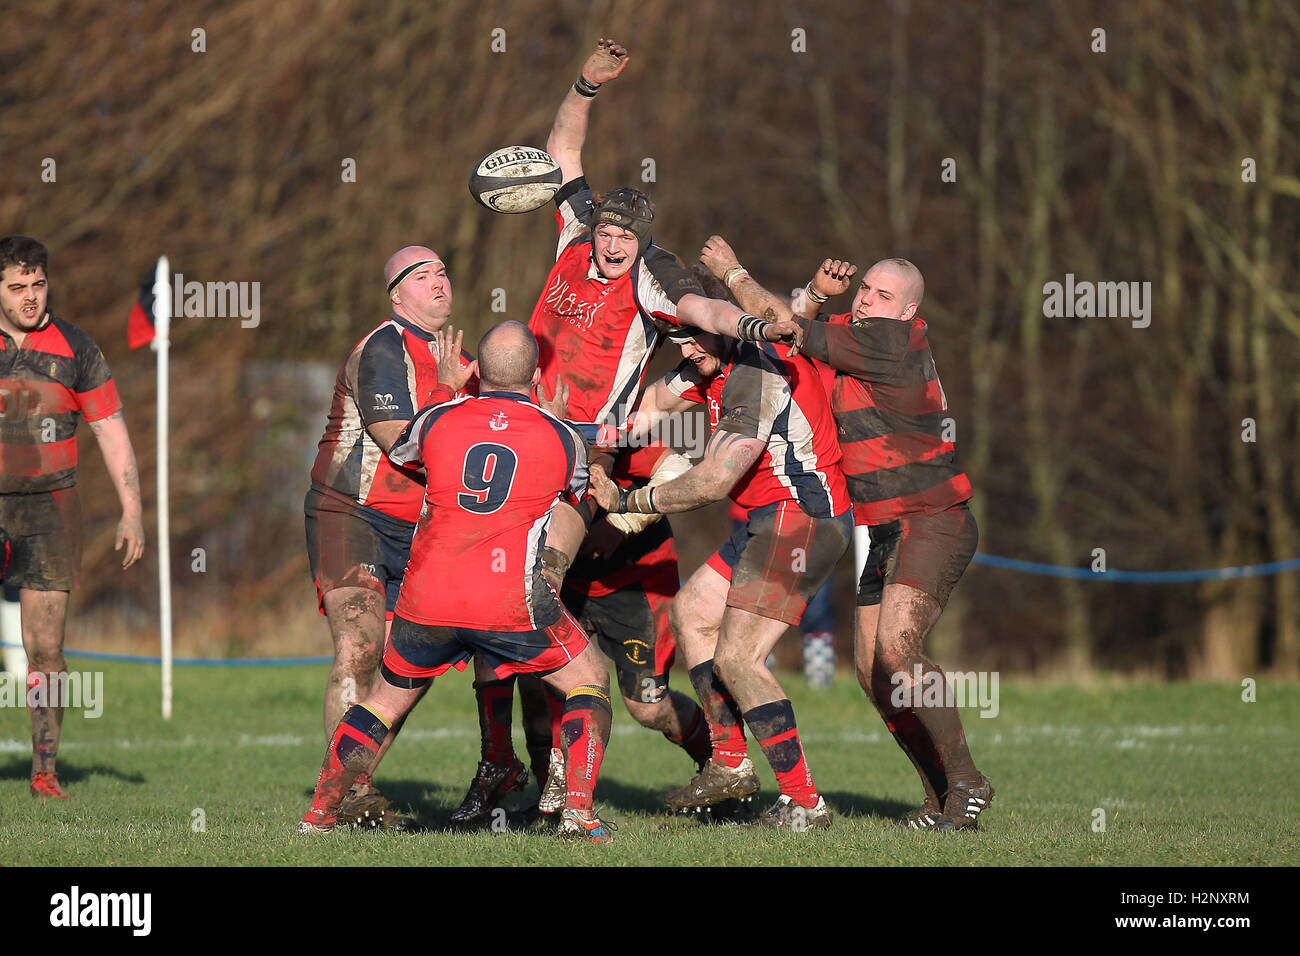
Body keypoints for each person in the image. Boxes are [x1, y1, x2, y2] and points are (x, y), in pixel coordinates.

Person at [700, 238, 993, 831]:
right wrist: (812, 296)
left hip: (932, 519)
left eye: (883, 296)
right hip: (886, 526)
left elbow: (780, 327)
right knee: (870, 670)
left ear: (907, 311)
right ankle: (941, 797)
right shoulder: (857, 333)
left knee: (897, 653)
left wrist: (730, 271)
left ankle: (967, 779)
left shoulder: (890, 340)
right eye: (865, 290)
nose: (866, 302)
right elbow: (792, 326)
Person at [299, 321, 617, 842]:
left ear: (477, 371)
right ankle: (579, 813)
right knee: (588, 679)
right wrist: (552, 421)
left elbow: (403, 451)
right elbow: (577, 491)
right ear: (536, 375)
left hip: (428, 600)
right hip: (508, 600)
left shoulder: (439, 419)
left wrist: (446, 387)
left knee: (381, 701)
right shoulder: (559, 436)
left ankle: (317, 818)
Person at [589, 321, 852, 830]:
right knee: (692, 614)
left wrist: (627, 501)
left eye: (694, 337)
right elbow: (641, 412)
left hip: (802, 519)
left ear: (724, 328)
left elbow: (713, 480)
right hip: (767, 518)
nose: (686, 349)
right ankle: (729, 761)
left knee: (740, 659)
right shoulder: (706, 362)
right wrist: (581, 433)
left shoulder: (752, 377)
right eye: (677, 338)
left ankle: (805, 804)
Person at [304, 246, 475, 826]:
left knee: (406, 669)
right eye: (421, 275)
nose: (438, 282)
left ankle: (357, 781)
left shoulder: (461, 359)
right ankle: (349, 795)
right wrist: (452, 393)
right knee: (359, 647)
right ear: (396, 294)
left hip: (423, 531)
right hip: (351, 514)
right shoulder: (380, 349)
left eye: (443, 272)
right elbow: (403, 443)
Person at [0, 235, 145, 800]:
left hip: (51, 510)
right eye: (17, 288)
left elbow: (112, 432)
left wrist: (132, 511)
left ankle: (44, 771)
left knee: (47, 650)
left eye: (38, 285)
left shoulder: (77, 348)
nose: (30, 297)